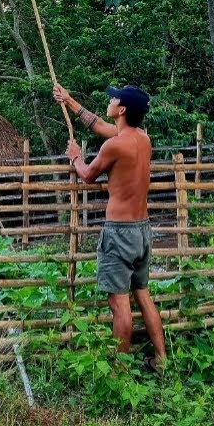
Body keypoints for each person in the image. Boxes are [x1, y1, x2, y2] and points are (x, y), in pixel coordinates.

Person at [52, 82, 167, 369]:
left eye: (115, 98)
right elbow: (101, 124)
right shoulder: (142, 138)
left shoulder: (114, 145)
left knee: (119, 305)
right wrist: (70, 100)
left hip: (120, 232)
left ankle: (120, 371)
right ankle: (162, 360)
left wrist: (76, 156)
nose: (111, 100)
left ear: (123, 109)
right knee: (142, 293)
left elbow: (88, 175)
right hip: (142, 229)